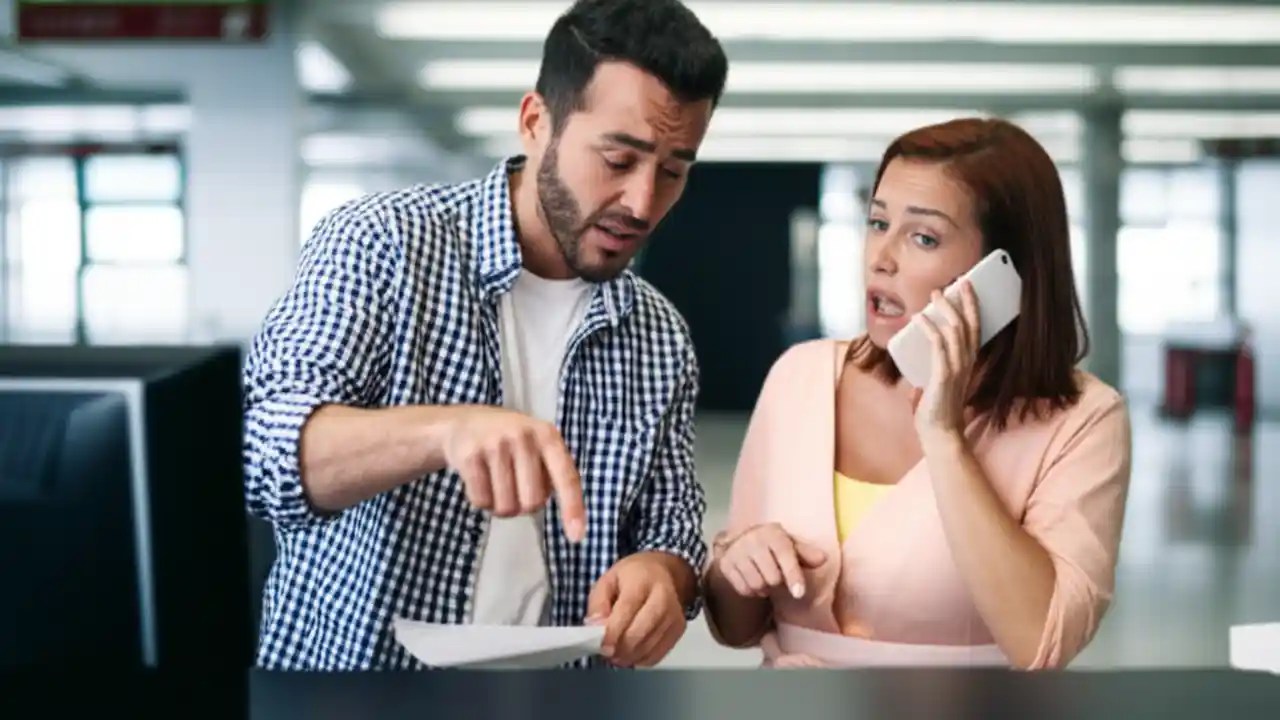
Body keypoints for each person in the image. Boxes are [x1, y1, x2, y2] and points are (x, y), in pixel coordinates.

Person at [243, 0, 727, 670]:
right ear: (536, 122)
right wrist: (444, 431)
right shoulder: (381, 244)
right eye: (619, 159)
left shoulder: (658, 336)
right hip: (353, 690)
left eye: (673, 172)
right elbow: (264, 456)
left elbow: (672, 523)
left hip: (557, 693)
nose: (644, 203)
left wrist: (663, 574)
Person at [703, 117, 1133, 670]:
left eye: (922, 237)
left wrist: (945, 435)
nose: (881, 257)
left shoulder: (1084, 421)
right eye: (877, 222)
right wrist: (738, 569)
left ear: (1003, 272)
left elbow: (1042, 642)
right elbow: (735, 626)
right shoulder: (799, 377)